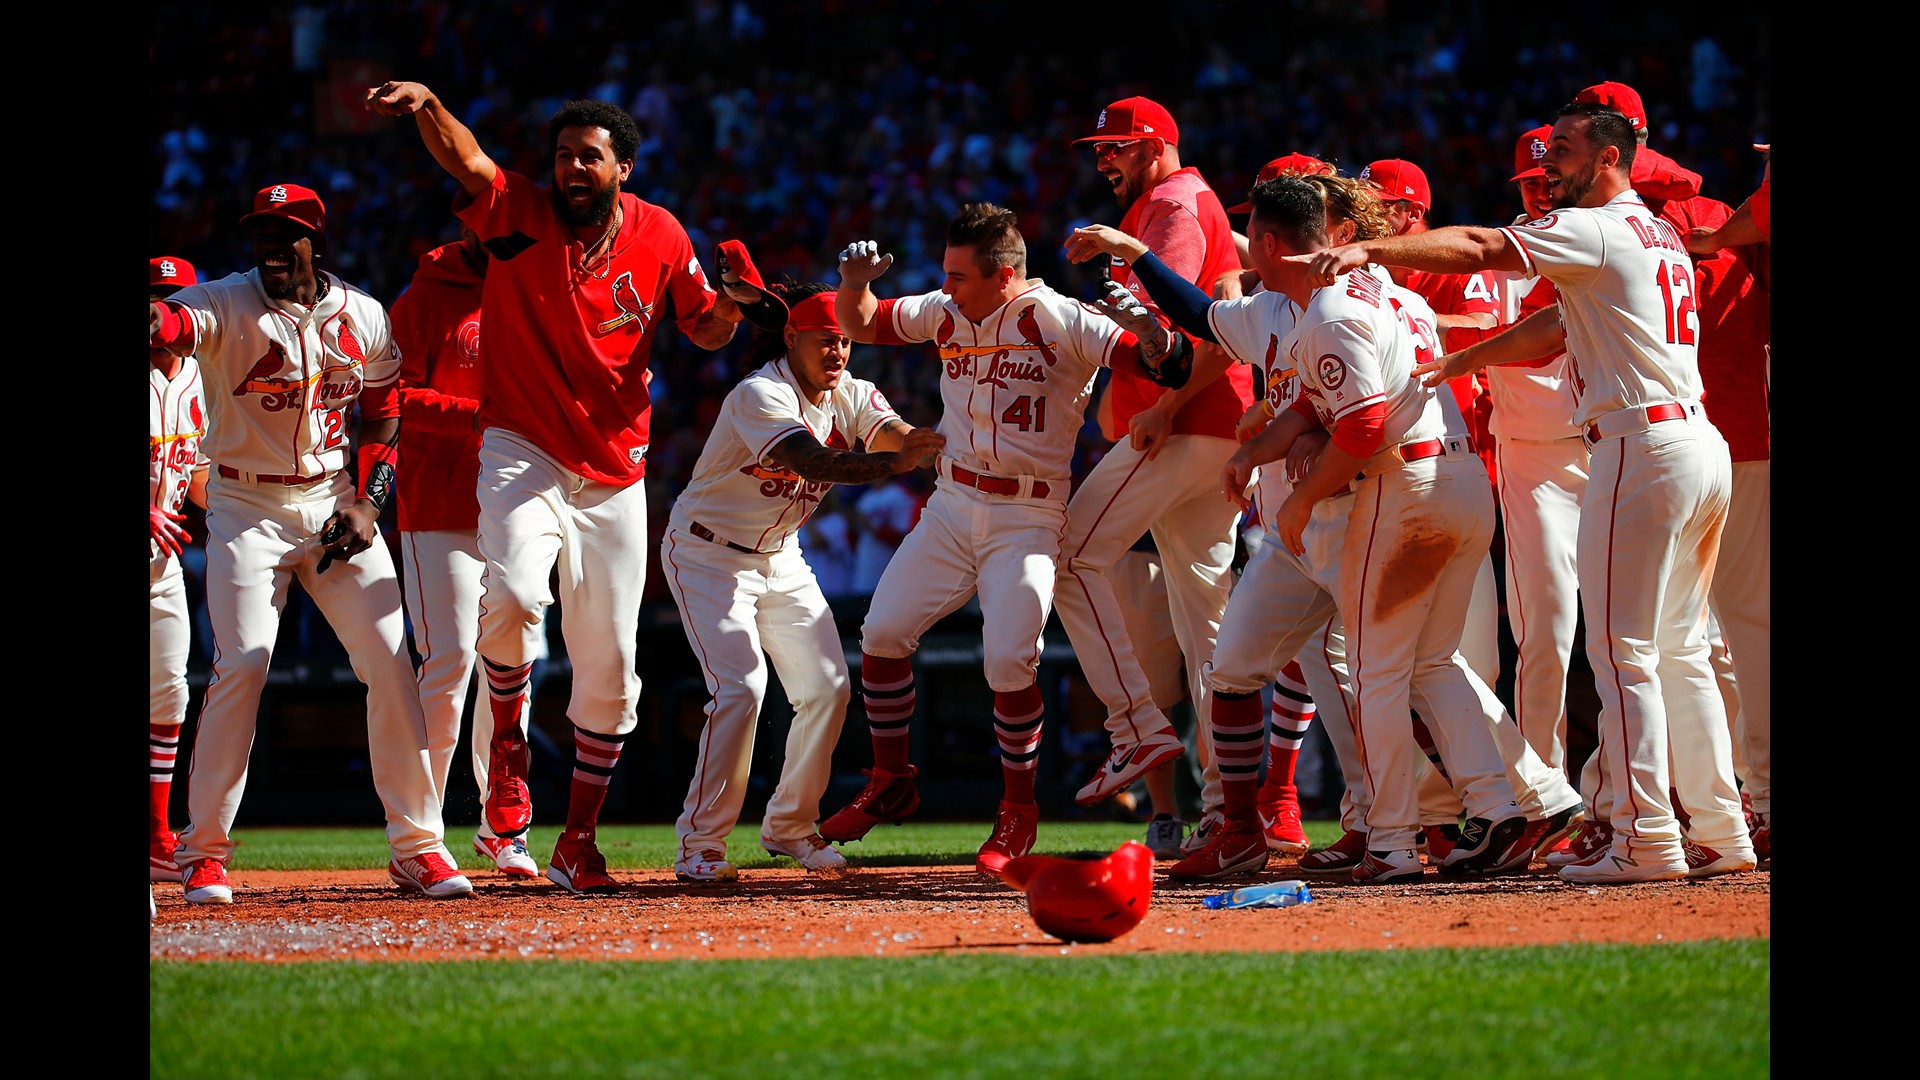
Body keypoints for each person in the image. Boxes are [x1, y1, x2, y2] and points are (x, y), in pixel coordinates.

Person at [1310, 101, 1755, 883]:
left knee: (1625, 656)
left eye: (1567, 150)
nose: (1549, 163)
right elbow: (1554, 331)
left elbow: (1481, 244)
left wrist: (1370, 246)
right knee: (1679, 650)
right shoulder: (1657, 233)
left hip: (1638, 445)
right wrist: (1464, 361)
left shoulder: (1597, 227)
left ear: (1612, 158)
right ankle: (1721, 828)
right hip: (1693, 442)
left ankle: (1645, 837)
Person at [367, 81, 753, 894]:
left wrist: (741, 308)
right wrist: (428, 106)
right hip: (521, 443)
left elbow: (707, 328)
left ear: (623, 168)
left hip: (616, 465)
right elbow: (466, 160)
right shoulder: (520, 214)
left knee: (612, 667)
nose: (573, 167)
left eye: (590, 156)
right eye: (563, 155)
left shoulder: (662, 232)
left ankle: (577, 839)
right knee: (507, 598)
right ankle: (507, 753)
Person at [819, 201, 1192, 878]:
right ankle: (891, 776)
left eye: (960, 275)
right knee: (883, 631)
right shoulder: (946, 310)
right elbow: (864, 321)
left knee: (1009, 663)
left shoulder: (1057, 317)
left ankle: (1018, 811)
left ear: (1003, 274)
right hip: (954, 503)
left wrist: (1156, 337)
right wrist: (852, 283)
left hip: (1028, 515)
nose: (947, 286)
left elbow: (1159, 365)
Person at [149, 183, 472, 904]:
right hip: (244, 505)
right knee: (246, 663)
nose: (271, 241)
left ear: (315, 242)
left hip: (332, 503)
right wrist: (158, 320)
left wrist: (370, 501)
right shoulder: (223, 303)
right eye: (261, 228)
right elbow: (171, 324)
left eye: (286, 230)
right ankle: (204, 853)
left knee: (393, 663)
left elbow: (384, 411)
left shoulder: (363, 314)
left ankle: (419, 847)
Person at [663, 277, 944, 882]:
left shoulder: (850, 391)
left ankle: (789, 825)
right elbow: (811, 461)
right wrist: (896, 461)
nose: (837, 352)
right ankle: (700, 844)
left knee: (826, 686)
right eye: (823, 340)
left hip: (780, 553)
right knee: (740, 688)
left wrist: (919, 444)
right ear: (790, 338)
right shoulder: (759, 393)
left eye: (845, 341)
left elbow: (892, 434)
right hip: (708, 553)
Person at [1574, 82, 1770, 867]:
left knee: (1639, 648)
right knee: (1700, 643)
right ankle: (1726, 816)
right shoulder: (1712, 216)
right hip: (1722, 440)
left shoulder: (1619, 226)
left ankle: (1642, 820)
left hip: (1660, 441)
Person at [1055, 96, 1257, 858]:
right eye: (1098, 147)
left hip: (1187, 425)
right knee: (1211, 630)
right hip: (1217, 429)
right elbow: (1224, 324)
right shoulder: (1190, 197)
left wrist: (1168, 404)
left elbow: (1165, 322)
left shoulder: (1171, 200)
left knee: (1070, 555)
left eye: (1116, 147)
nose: (1103, 158)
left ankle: (1135, 729)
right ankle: (1229, 810)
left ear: (1155, 146)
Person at [390, 224, 539, 878]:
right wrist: (478, 414)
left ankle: (502, 827)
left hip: (518, 501)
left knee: (512, 664)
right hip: (440, 503)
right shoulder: (423, 299)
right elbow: (390, 400)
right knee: (448, 662)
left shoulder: (537, 290)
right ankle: (420, 832)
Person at [150, 256, 209, 887]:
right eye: (155, 296)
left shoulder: (198, 374)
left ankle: (159, 835)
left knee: (169, 692)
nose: (164, 308)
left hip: (163, 563)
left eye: (175, 298)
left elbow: (197, 479)